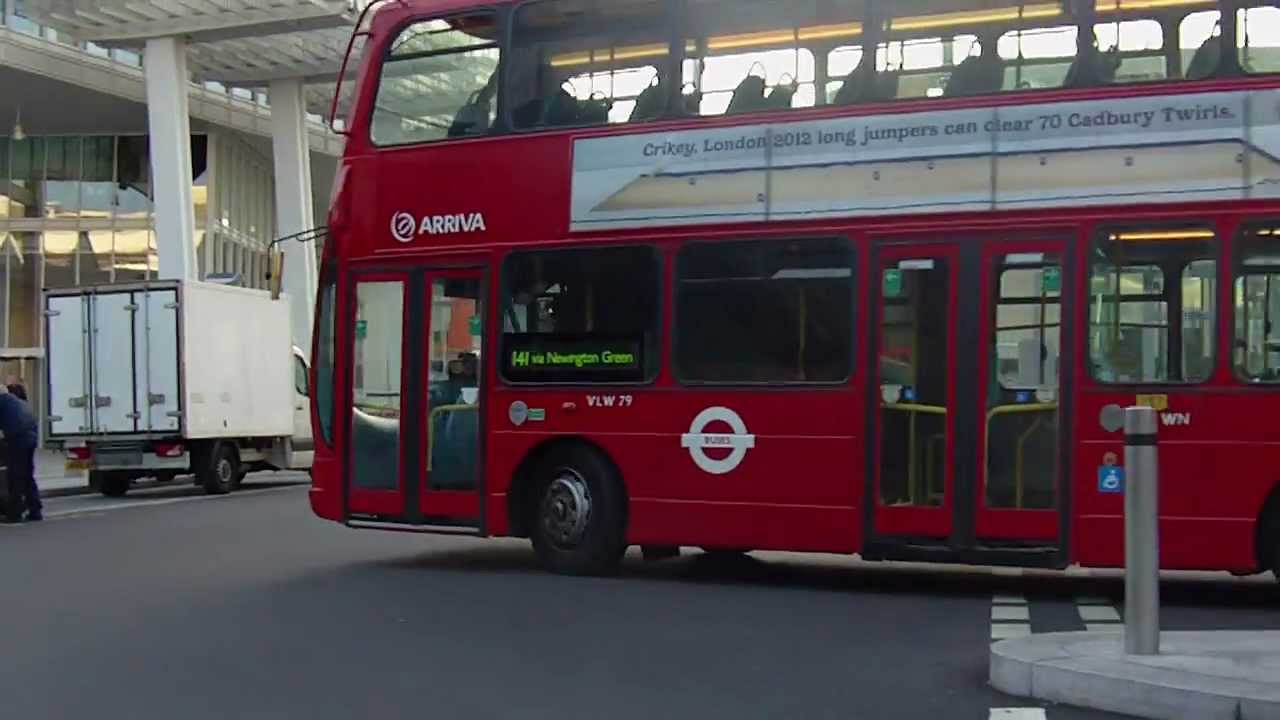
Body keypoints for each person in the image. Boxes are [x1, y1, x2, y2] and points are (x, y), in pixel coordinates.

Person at [0, 384, 40, 523]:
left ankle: (15, 514)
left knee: (15, 477)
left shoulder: (2, 402)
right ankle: (36, 510)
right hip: (31, 439)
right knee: (27, 475)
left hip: (18, 440)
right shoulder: (16, 401)